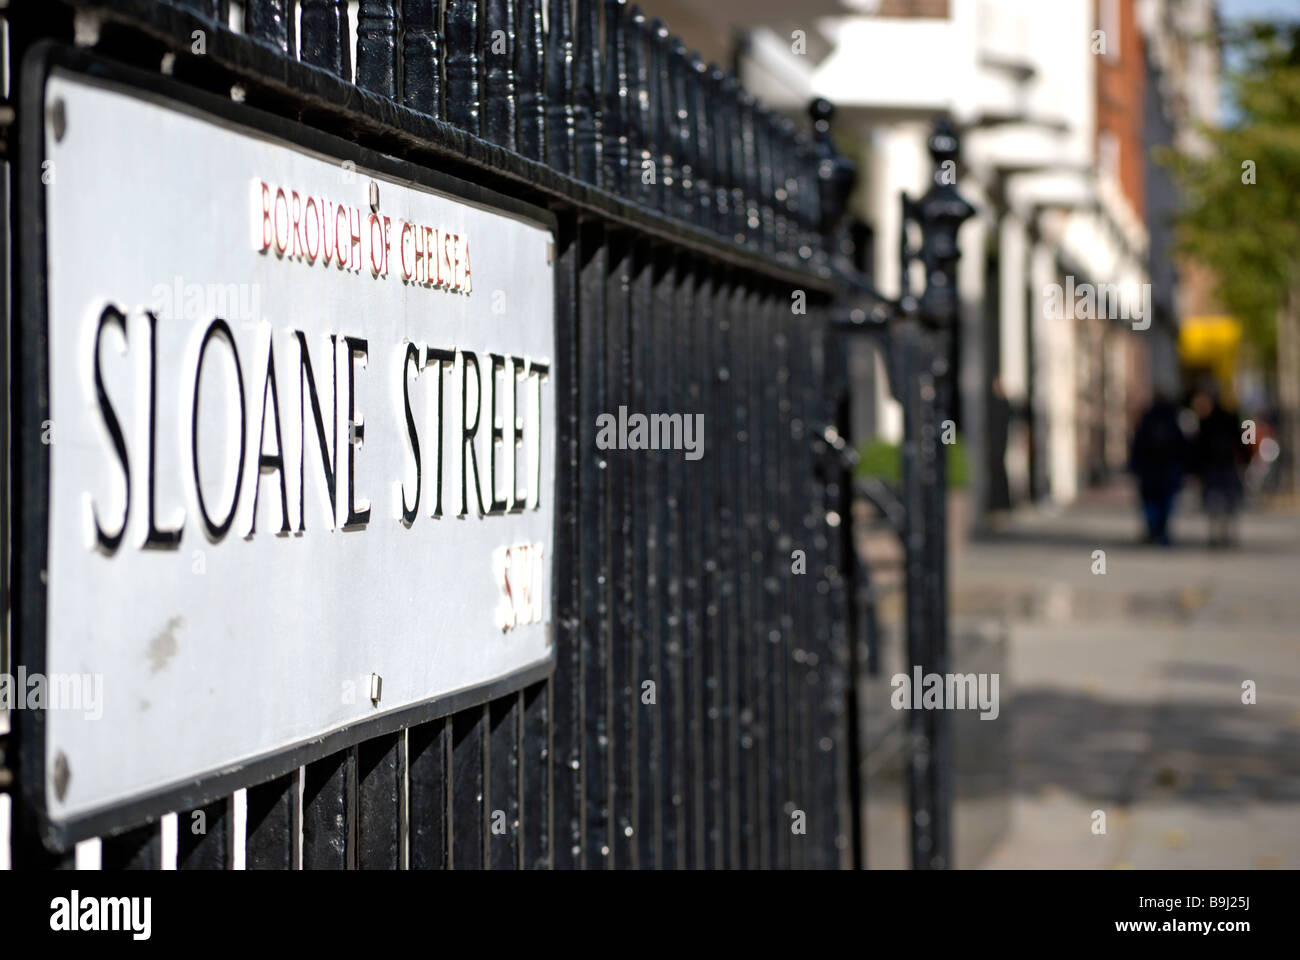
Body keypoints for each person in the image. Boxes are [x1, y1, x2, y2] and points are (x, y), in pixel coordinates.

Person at [1190, 388, 1249, 547]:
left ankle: (1219, 534)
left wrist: (1196, 469)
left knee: (1216, 501)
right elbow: (1241, 440)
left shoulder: (1208, 421)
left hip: (1217, 466)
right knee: (1226, 501)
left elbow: (1199, 446)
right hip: (1222, 465)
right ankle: (1225, 534)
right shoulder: (1228, 418)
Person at [1129, 394, 1188, 545]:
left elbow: (1137, 444)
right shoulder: (1173, 420)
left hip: (1150, 470)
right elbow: (1182, 446)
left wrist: (1135, 466)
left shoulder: (1147, 419)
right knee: (1165, 503)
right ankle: (1162, 533)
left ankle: (1153, 531)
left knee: (1151, 503)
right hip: (1167, 470)